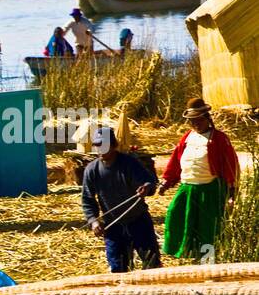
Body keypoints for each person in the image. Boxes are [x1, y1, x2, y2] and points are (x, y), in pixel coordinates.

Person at [158, 97, 239, 260]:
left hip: (209, 190)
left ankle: (207, 260)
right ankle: (185, 253)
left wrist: (231, 190)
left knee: (207, 228)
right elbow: (175, 161)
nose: (195, 124)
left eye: (198, 120)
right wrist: (166, 181)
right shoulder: (187, 138)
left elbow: (231, 164)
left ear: (207, 118)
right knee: (175, 215)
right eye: (191, 121)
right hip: (187, 188)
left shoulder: (218, 138)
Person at [80, 125, 161, 273]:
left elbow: (149, 182)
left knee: (151, 264)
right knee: (118, 268)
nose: (101, 149)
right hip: (113, 225)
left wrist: (147, 187)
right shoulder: (92, 170)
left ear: (114, 145)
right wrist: (93, 221)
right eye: (98, 145)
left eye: (104, 145)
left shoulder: (129, 163)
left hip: (138, 221)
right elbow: (87, 199)